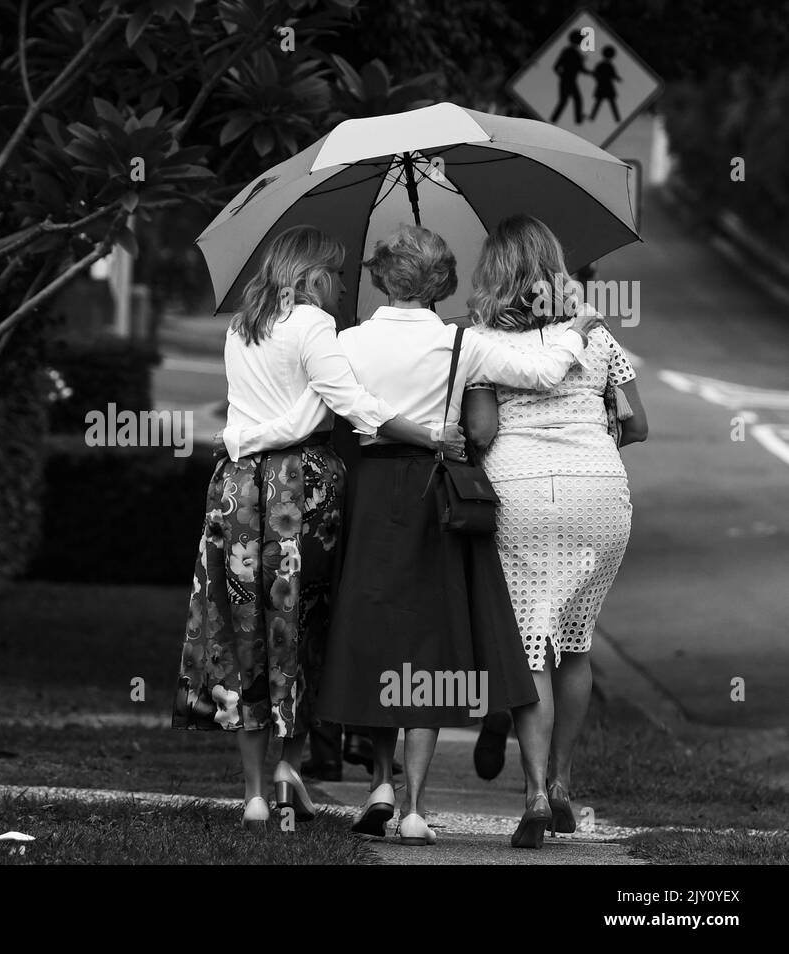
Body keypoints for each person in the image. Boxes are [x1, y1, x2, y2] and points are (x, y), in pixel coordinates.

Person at [221, 224, 605, 845]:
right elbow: (539, 373)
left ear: (379, 278)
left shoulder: (346, 340)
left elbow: (331, 407)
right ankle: (416, 805)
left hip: (369, 492)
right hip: (435, 494)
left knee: (374, 633)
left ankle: (376, 780)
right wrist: (579, 329)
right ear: (444, 282)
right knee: (424, 643)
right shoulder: (462, 342)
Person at [172, 225, 465, 832]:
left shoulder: (242, 324)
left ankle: (255, 792)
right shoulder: (313, 326)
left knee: (244, 628)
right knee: (304, 627)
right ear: (310, 277)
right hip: (298, 486)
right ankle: (291, 765)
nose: (338, 289)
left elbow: (246, 411)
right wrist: (431, 435)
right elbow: (355, 403)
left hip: (233, 490)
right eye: (332, 277)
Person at [463, 214, 647, 847]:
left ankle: (535, 791)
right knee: (576, 642)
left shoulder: (484, 342)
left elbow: (482, 431)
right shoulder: (595, 335)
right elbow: (638, 424)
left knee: (530, 643)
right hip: (600, 493)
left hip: (522, 497)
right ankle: (565, 782)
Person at [551, 29, 589, 125]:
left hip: (567, 80)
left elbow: (556, 67)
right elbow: (581, 69)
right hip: (569, 81)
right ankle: (577, 120)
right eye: (581, 40)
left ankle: (554, 119)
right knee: (573, 100)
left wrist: (562, 76)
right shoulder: (574, 53)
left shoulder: (568, 51)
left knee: (566, 100)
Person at [589, 46, 622, 122]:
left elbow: (595, 74)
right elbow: (613, 75)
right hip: (606, 86)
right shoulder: (607, 65)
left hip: (603, 86)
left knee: (605, 103)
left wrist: (617, 78)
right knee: (605, 103)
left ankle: (592, 117)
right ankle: (617, 118)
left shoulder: (602, 65)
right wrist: (617, 79)